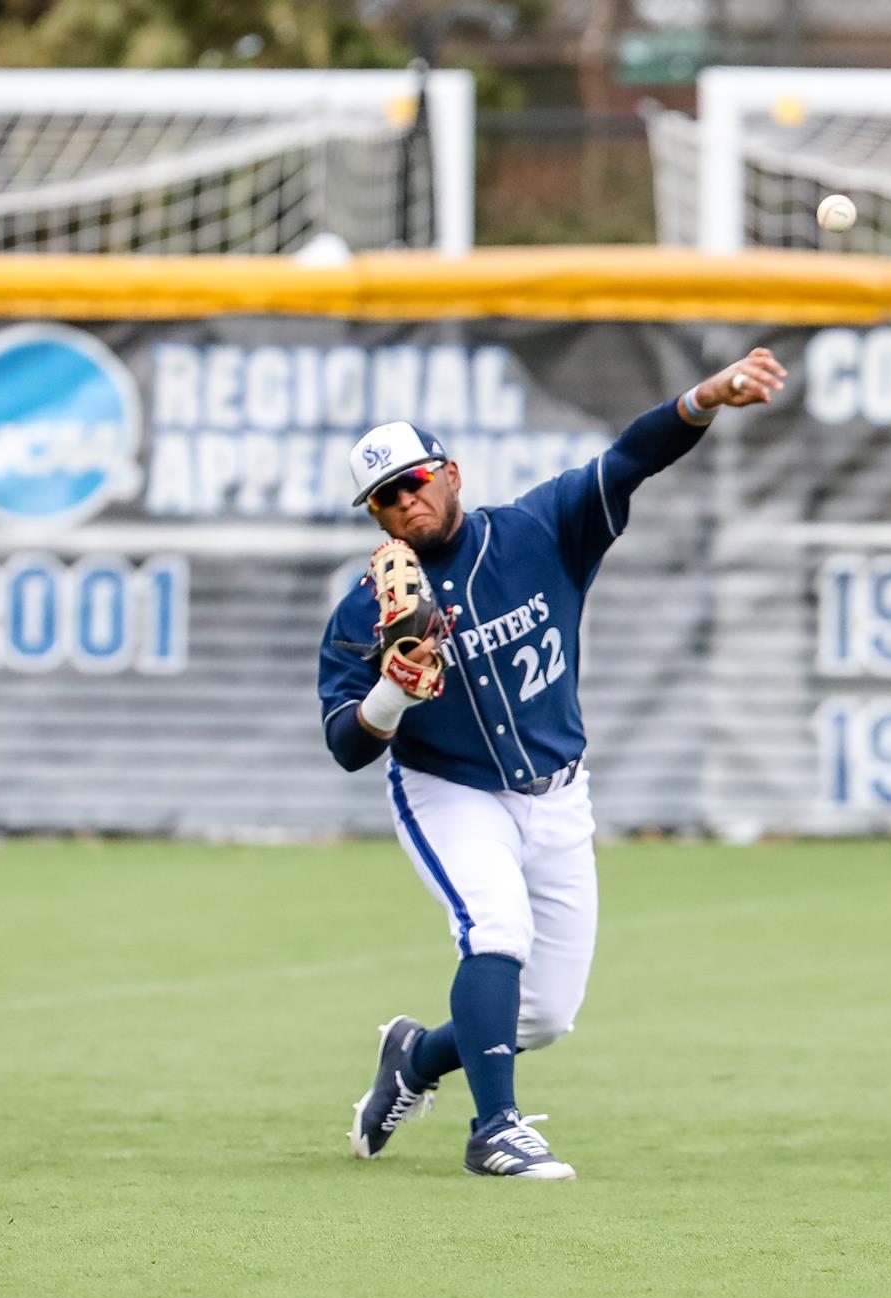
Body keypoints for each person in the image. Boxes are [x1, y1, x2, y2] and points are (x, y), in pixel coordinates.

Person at [318, 348, 788, 1179]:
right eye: (384, 497)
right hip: (449, 791)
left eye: (415, 479)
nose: (405, 500)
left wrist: (703, 398)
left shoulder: (538, 530)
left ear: (450, 472)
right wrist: (390, 692)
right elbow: (347, 745)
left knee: (542, 1015)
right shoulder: (368, 609)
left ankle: (415, 1060)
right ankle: (494, 1128)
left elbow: (630, 459)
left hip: (561, 792)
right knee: (495, 930)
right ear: (376, 516)